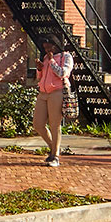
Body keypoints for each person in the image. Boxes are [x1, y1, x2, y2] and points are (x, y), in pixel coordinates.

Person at [34, 38, 74, 167]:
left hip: (57, 92)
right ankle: (53, 148)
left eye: (49, 48)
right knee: (38, 124)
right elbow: (39, 78)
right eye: (45, 48)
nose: (47, 50)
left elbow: (62, 73)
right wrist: (40, 69)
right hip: (43, 92)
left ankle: (55, 156)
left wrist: (51, 61)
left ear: (56, 45)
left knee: (54, 124)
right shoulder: (46, 57)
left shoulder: (66, 57)